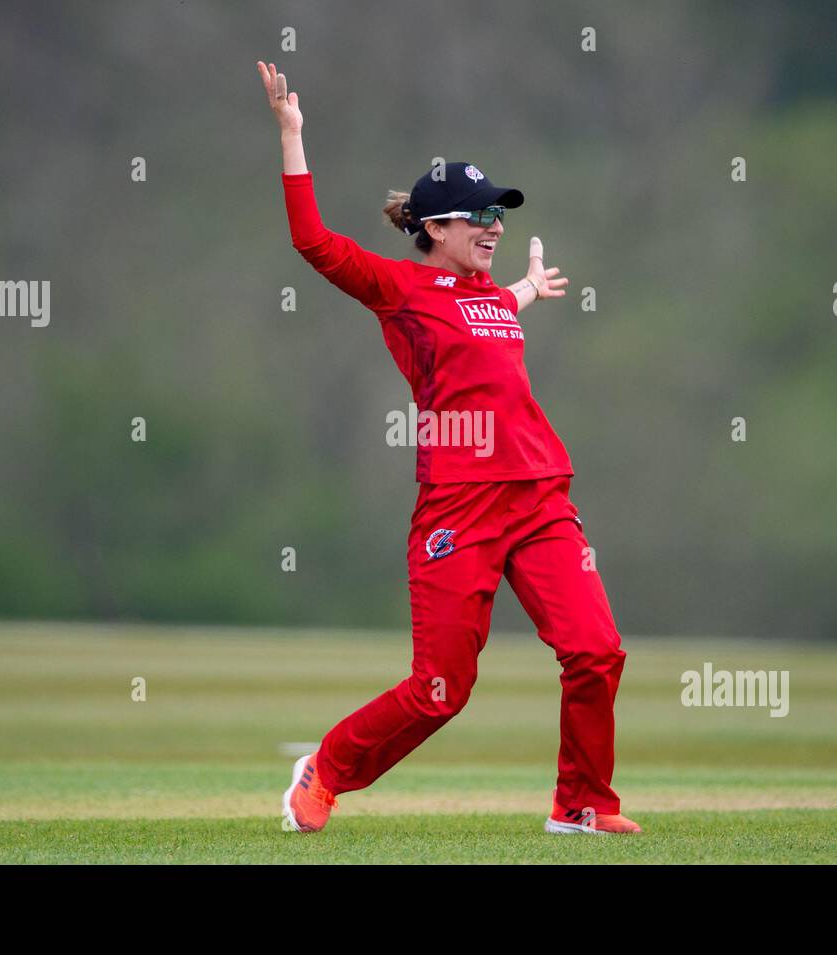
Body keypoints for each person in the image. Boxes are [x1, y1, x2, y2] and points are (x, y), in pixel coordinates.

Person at [258, 61, 639, 835]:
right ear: (435, 227)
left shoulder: (492, 297)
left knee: (597, 649)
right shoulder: (401, 289)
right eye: (478, 216)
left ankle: (582, 805)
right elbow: (311, 242)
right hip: (459, 508)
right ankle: (325, 768)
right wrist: (293, 139)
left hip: (540, 497)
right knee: (441, 688)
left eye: (498, 214)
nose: (494, 226)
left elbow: (495, 312)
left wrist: (529, 288)